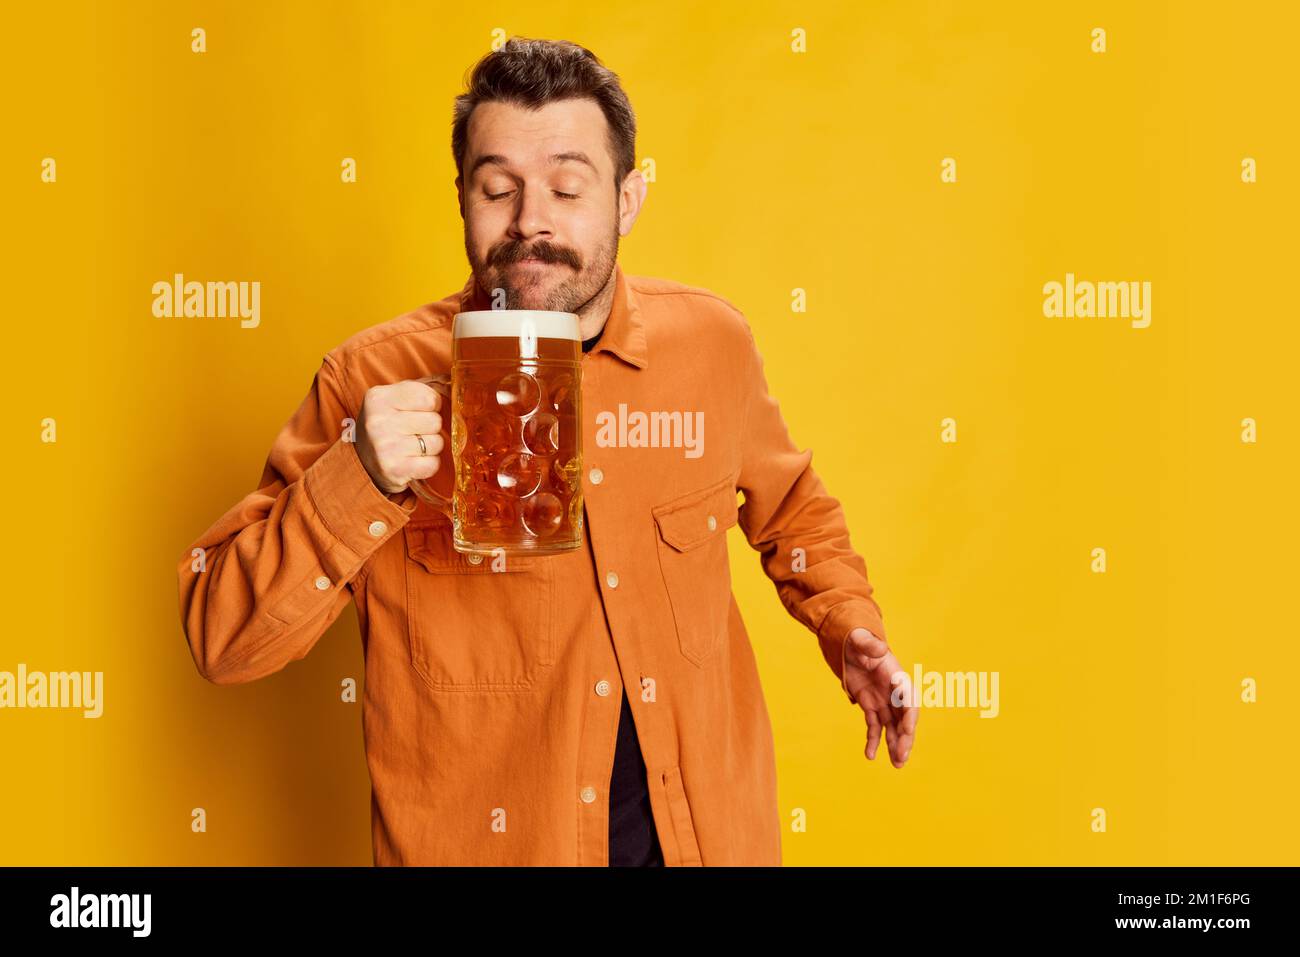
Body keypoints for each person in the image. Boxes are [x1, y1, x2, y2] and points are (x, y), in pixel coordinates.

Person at [176, 36, 917, 867]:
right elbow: (223, 639)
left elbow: (793, 508)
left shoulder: (712, 346)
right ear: (461, 197)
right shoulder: (369, 381)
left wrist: (847, 624)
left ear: (628, 199)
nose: (531, 221)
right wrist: (360, 476)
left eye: (567, 187)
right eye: (499, 188)